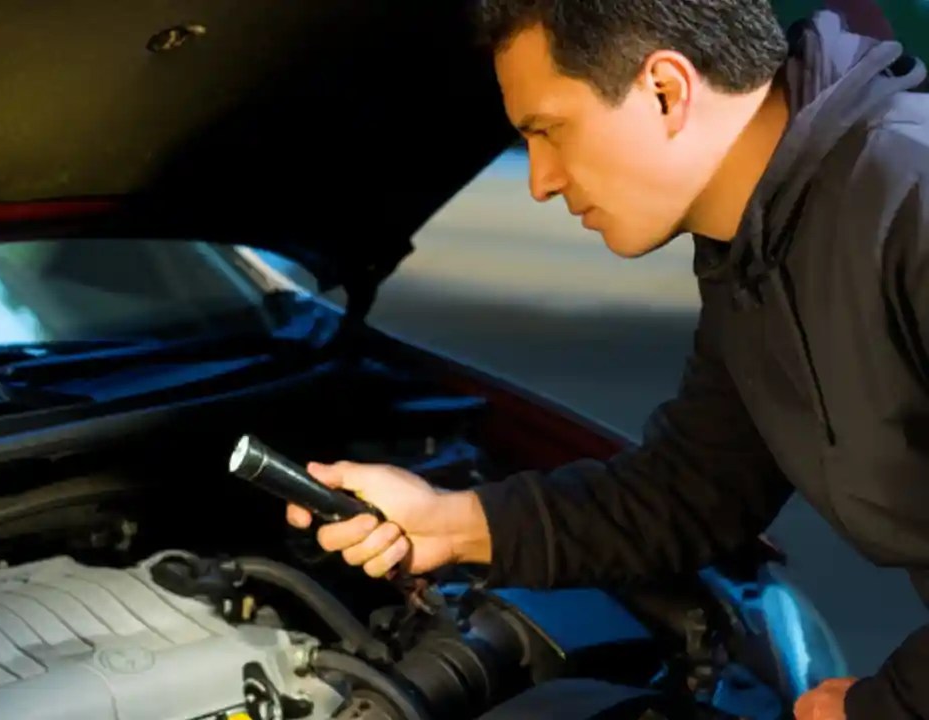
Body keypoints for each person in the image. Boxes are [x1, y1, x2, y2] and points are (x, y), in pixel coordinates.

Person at [285, 1, 928, 718]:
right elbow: (696, 486)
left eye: (549, 130)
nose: (540, 180)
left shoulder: (911, 198)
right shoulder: (756, 246)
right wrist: (451, 522)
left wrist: (888, 708)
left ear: (666, 90)